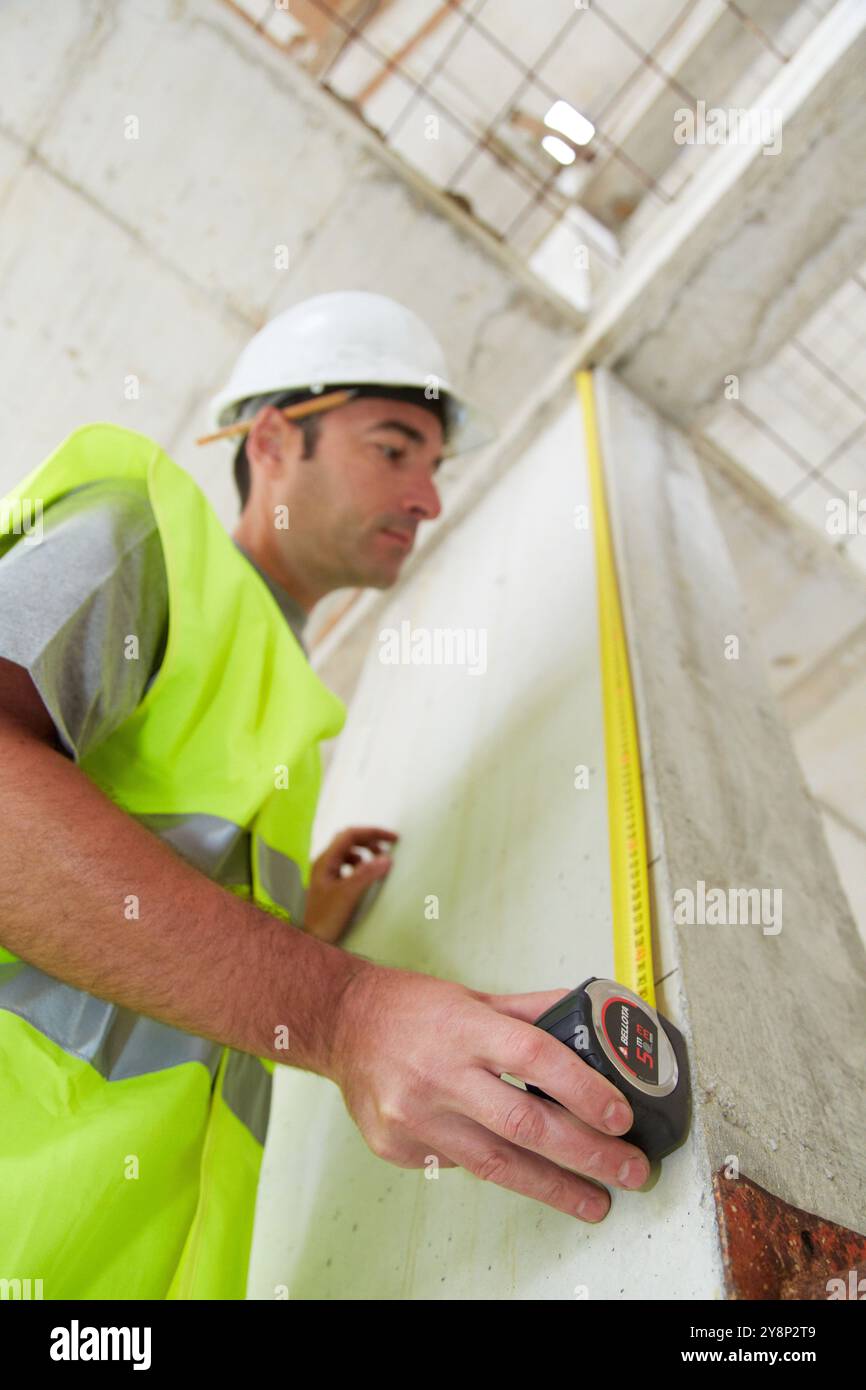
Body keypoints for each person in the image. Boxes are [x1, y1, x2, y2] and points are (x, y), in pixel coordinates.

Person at [0, 291, 649, 1300]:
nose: (427, 497)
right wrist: (341, 1008)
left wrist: (290, 916)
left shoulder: (289, 713)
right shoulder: (144, 538)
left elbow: (133, 952)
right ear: (270, 442)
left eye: (433, 467)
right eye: (394, 449)